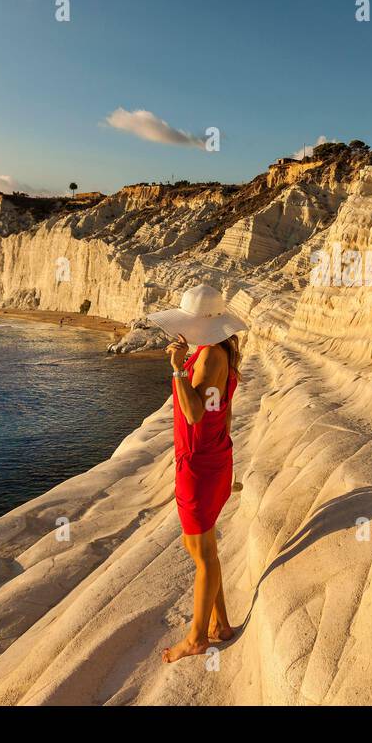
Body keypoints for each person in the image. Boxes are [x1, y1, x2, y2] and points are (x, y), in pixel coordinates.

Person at [144, 284, 248, 663]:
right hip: (211, 458)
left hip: (200, 464)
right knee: (201, 548)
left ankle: (197, 638)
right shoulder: (219, 353)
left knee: (202, 553)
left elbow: (194, 413)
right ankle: (220, 623)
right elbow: (222, 413)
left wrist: (175, 370)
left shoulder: (207, 359)